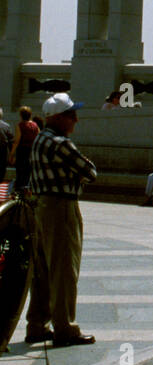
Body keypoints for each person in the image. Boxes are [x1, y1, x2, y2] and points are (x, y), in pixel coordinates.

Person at [25, 92, 97, 347]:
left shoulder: (39, 140)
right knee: (65, 268)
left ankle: (36, 324)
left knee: (43, 270)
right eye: (70, 114)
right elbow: (90, 171)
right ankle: (65, 327)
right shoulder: (61, 143)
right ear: (57, 118)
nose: (76, 119)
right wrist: (79, 175)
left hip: (41, 207)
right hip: (62, 208)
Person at [9, 105, 39, 193]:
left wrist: (11, 154)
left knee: (20, 173)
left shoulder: (20, 125)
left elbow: (17, 141)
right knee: (28, 172)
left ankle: (19, 192)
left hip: (22, 151)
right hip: (32, 151)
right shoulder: (35, 125)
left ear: (21, 115)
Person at [0, 108, 13, 180]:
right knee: (1, 169)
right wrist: (11, 153)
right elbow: (11, 140)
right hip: (2, 151)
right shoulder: (6, 126)